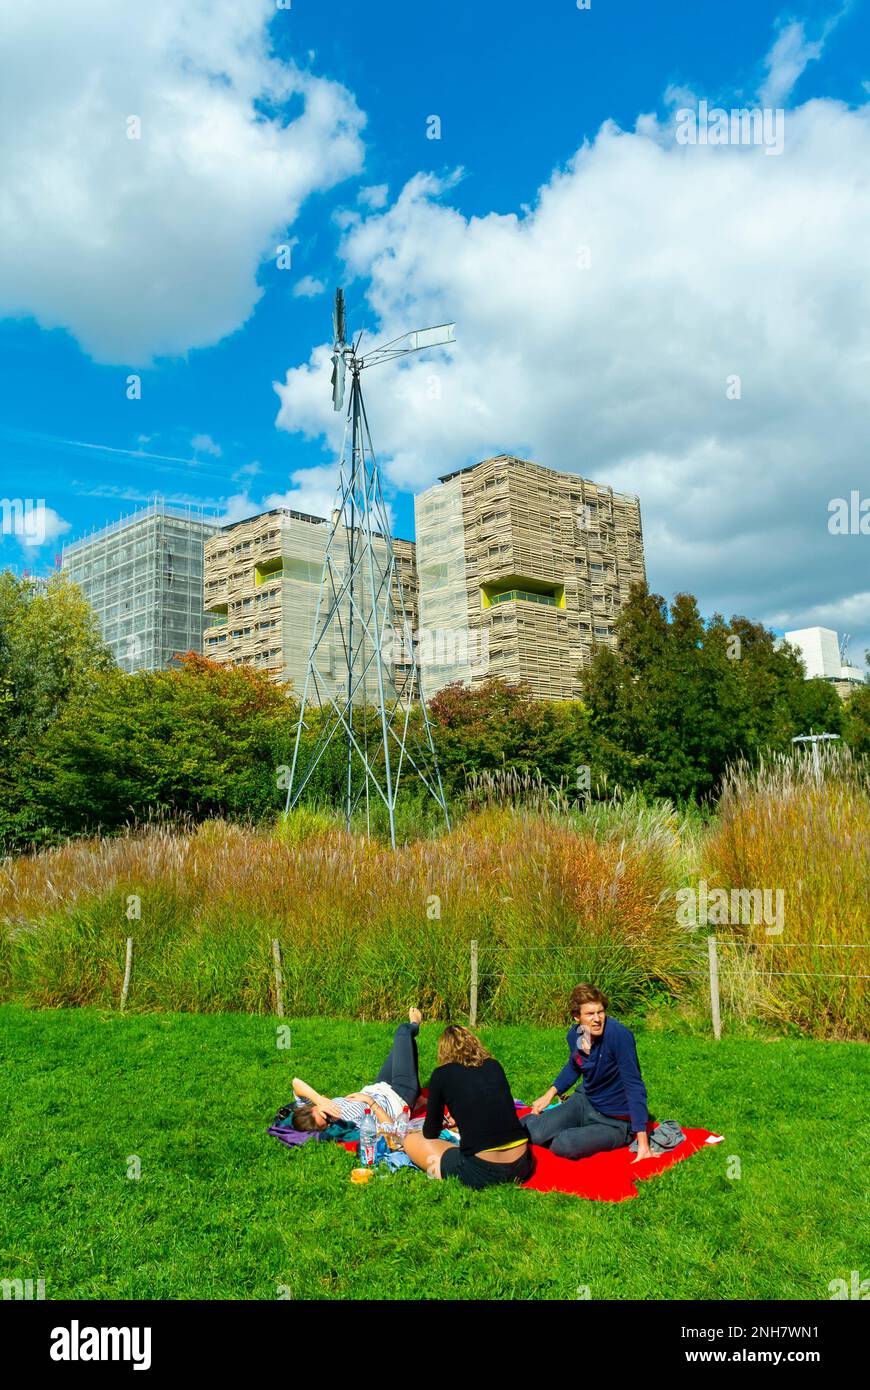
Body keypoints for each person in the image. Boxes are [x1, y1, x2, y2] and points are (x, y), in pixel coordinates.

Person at [521, 983, 652, 1162]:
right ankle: (509, 1127)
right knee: (535, 1133)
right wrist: (549, 1094)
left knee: (564, 1145)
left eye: (601, 1012)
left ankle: (567, 1132)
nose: (597, 1019)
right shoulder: (575, 1035)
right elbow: (575, 1065)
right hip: (585, 1101)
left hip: (615, 1121)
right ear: (577, 1017)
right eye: (590, 1014)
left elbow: (634, 1086)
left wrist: (643, 1143)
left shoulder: (619, 1036)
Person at [403, 1025, 533, 1189]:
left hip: (482, 1172)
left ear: (444, 1050)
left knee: (410, 1141)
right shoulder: (494, 1065)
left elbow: (431, 1132)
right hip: (522, 1165)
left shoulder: (441, 1074)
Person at [291, 1007, 423, 1131]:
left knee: (406, 1045)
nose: (330, 1115)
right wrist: (369, 1102)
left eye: (323, 1112)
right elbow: (390, 1129)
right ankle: (415, 1023)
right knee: (403, 1032)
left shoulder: (313, 1111)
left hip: (379, 1086)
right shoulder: (348, 1124)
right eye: (328, 1120)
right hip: (399, 1096)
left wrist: (319, 1101)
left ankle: (418, 1095)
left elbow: (296, 1082)